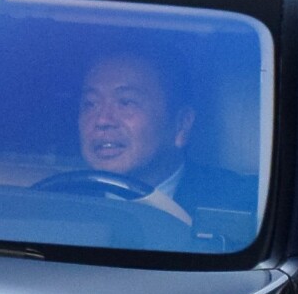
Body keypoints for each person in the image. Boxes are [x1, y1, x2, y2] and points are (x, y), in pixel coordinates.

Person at [74, 55, 250, 227]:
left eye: (126, 102)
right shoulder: (59, 202)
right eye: (90, 104)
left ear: (181, 124)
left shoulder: (241, 202)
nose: (102, 121)